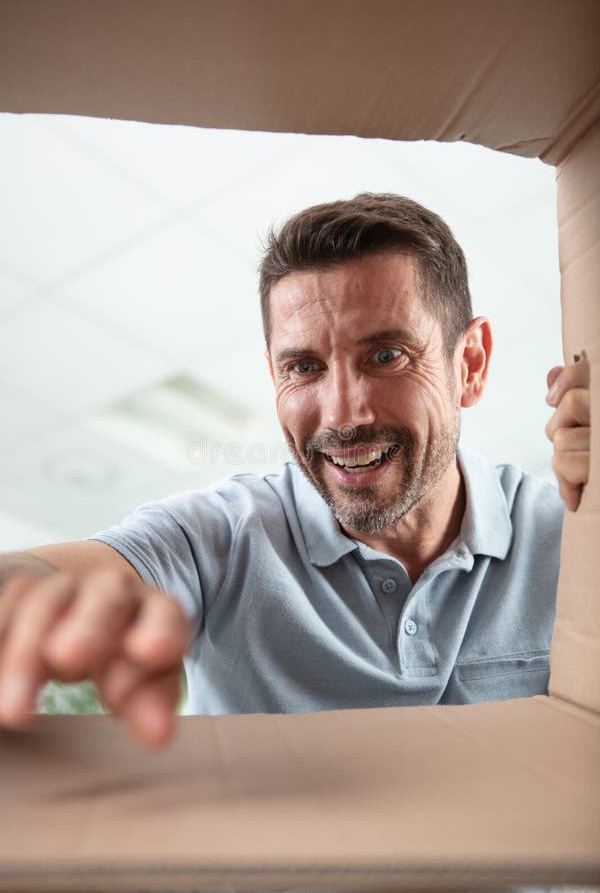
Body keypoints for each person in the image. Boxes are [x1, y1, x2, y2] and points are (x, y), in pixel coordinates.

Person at [0, 194, 591, 748]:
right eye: (304, 367)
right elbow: (69, 571)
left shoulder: (572, 536)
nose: (342, 414)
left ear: (471, 363)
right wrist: (25, 596)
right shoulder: (221, 538)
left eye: (386, 357)